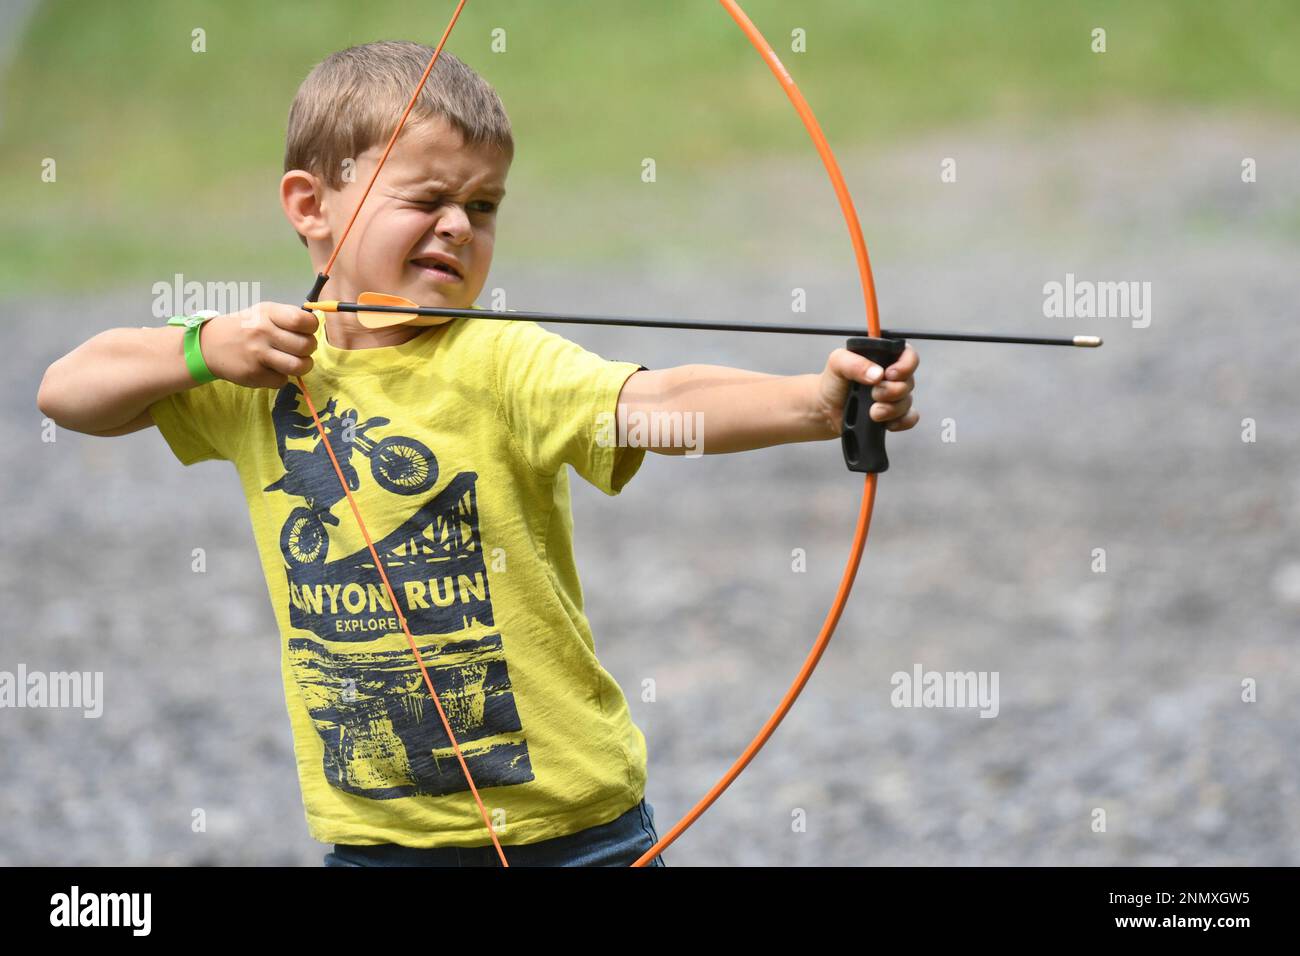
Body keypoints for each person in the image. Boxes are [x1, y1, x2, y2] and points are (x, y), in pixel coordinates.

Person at [35, 41, 919, 867]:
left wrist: (817, 400)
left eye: (483, 206)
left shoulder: (501, 361)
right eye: (425, 200)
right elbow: (67, 391)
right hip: (376, 835)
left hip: (571, 827)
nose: (458, 226)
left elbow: (655, 403)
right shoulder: (258, 363)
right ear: (311, 206)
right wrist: (198, 348)